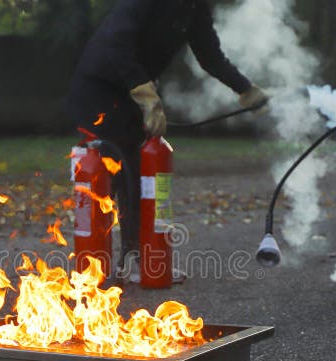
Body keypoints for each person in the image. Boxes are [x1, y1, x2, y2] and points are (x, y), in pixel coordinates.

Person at [65, 0, 268, 281]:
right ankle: (116, 261)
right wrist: (146, 95)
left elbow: (210, 56)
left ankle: (129, 259)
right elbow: (117, 43)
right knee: (123, 170)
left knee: (136, 170)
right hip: (99, 90)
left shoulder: (195, 9)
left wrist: (245, 89)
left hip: (128, 97)